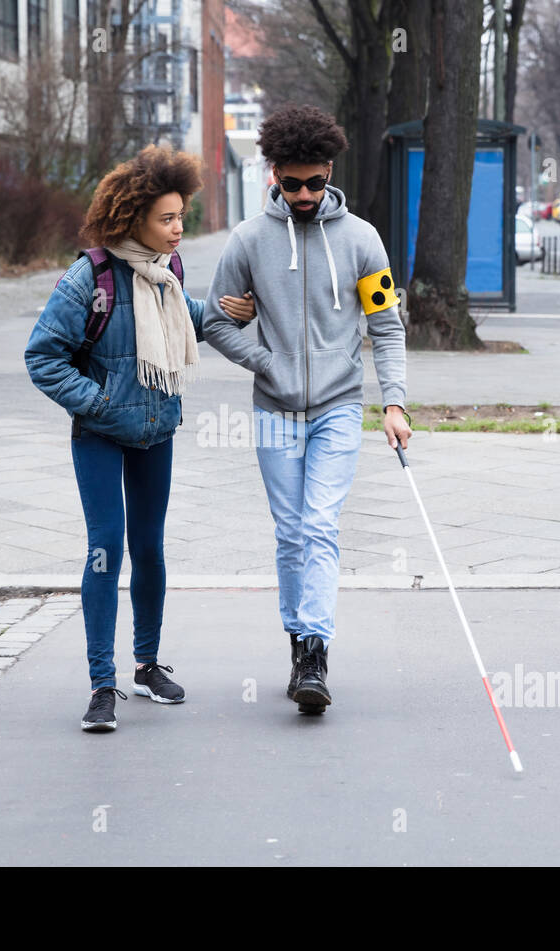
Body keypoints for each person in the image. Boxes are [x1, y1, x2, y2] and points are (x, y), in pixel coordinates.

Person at [23, 145, 256, 732]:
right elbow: (42, 357)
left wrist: (224, 312)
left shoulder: (167, 272)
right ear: (133, 220)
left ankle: (147, 664)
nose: (180, 230)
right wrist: (99, 404)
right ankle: (102, 685)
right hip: (101, 433)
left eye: (181, 216)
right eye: (167, 219)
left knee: (149, 548)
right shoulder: (90, 277)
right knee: (106, 547)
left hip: (156, 430)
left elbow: (174, 319)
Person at [201, 105, 411, 716]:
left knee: (319, 525)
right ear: (273, 175)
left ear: (329, 174)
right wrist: (262, 360)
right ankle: (298, 641)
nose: (303, 194)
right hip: (274, 410)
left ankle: (315, 651)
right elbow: (215, 320)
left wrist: (394, 402)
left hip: (340, 407)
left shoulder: (362, 239)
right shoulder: (247, 241)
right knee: (290, 532)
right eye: (290, 183)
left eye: (315, 182)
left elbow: (386, 327)